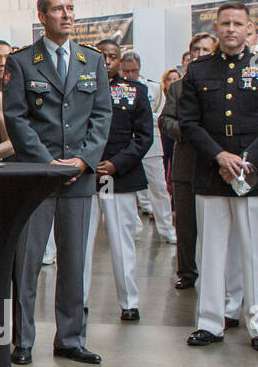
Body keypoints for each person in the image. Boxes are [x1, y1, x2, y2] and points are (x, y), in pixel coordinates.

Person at [4, 0, 112, 365]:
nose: (66, 15)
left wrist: (83, 161)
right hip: (36, 178)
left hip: (78, 178)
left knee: (74, 262)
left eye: (70, 9)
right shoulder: (22, 62)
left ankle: (70, 338)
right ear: (42, 16)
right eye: (57, 10)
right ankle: (24, 341)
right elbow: (17, 119)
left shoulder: (92, 60)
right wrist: (47, 164)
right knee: (28, 262)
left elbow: (101, 116)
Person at [177, 2, 258, 352]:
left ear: (248, 28)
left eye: (237, 24)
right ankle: (211, 322)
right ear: (216, 27)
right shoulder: (198, 72)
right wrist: (219, 156)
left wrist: (246, 160)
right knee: (210, 250)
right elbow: (189, 123)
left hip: (255, 174)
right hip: (213, 171)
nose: (230, 29)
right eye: (224, 23)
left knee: (256, 252)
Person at [83, 41, 153, 321]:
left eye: (113, 57)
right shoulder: (80, 87)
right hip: (86, 174)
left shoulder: (135, 91)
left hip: (117, 176)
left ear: (120, 60)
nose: (108, 61)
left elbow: (144, 136)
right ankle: (79, 299)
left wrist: (116, 164)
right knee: (81, 242)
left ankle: (129, 302)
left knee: (121, 240)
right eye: (103, 56)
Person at [159, 33, 216, 290]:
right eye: (196, 49)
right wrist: (185, 130)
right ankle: (187, 271)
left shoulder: (220, 83)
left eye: (206, 49)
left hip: (215, 165)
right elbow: (165, 120)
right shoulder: (179, 87)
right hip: (186, 165)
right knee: (186, 224)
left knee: (215, 227)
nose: (200, 54)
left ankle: (216, 274)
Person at [121, 49, 175, 244]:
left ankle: (167, 229)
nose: (130, 75)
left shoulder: (153, 88)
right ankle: (133, 227)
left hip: (152, 145)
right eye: (126, 71)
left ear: (140, 69)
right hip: (126, 146)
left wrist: (138, 116)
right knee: (126, 190)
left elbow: (160, 116)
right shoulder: (117, 88)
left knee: (159, 188)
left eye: (133, 71)